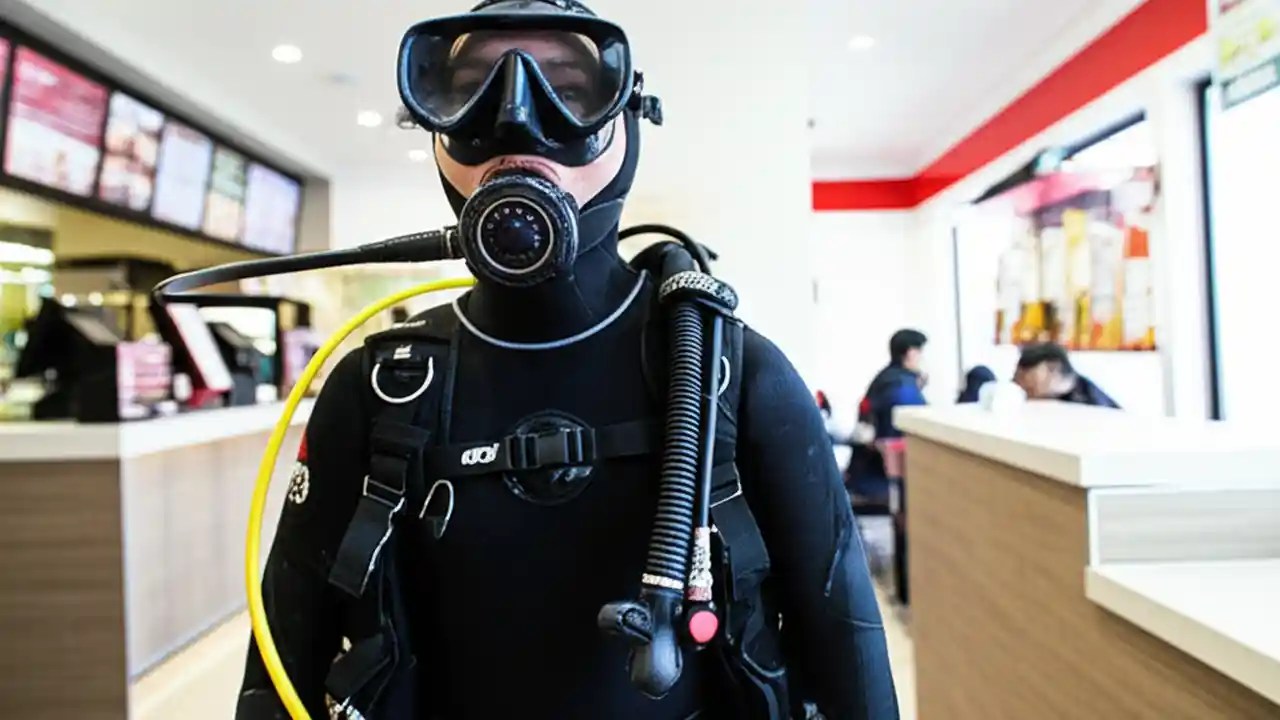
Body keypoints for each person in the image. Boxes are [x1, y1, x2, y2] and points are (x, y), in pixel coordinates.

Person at [235, 2, 898, 719]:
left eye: (570, 89)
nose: (517, 120)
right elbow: (280, 663)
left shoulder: (731, 376)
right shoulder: (378, 389)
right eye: (471, 90)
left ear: (630, 119)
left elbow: (848, 653)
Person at [1013, 342, 1120, 408]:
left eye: (1024, 374)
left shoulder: (1094, 406)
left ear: (1052, 369)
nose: (1018, 382)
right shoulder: (1050, 397)